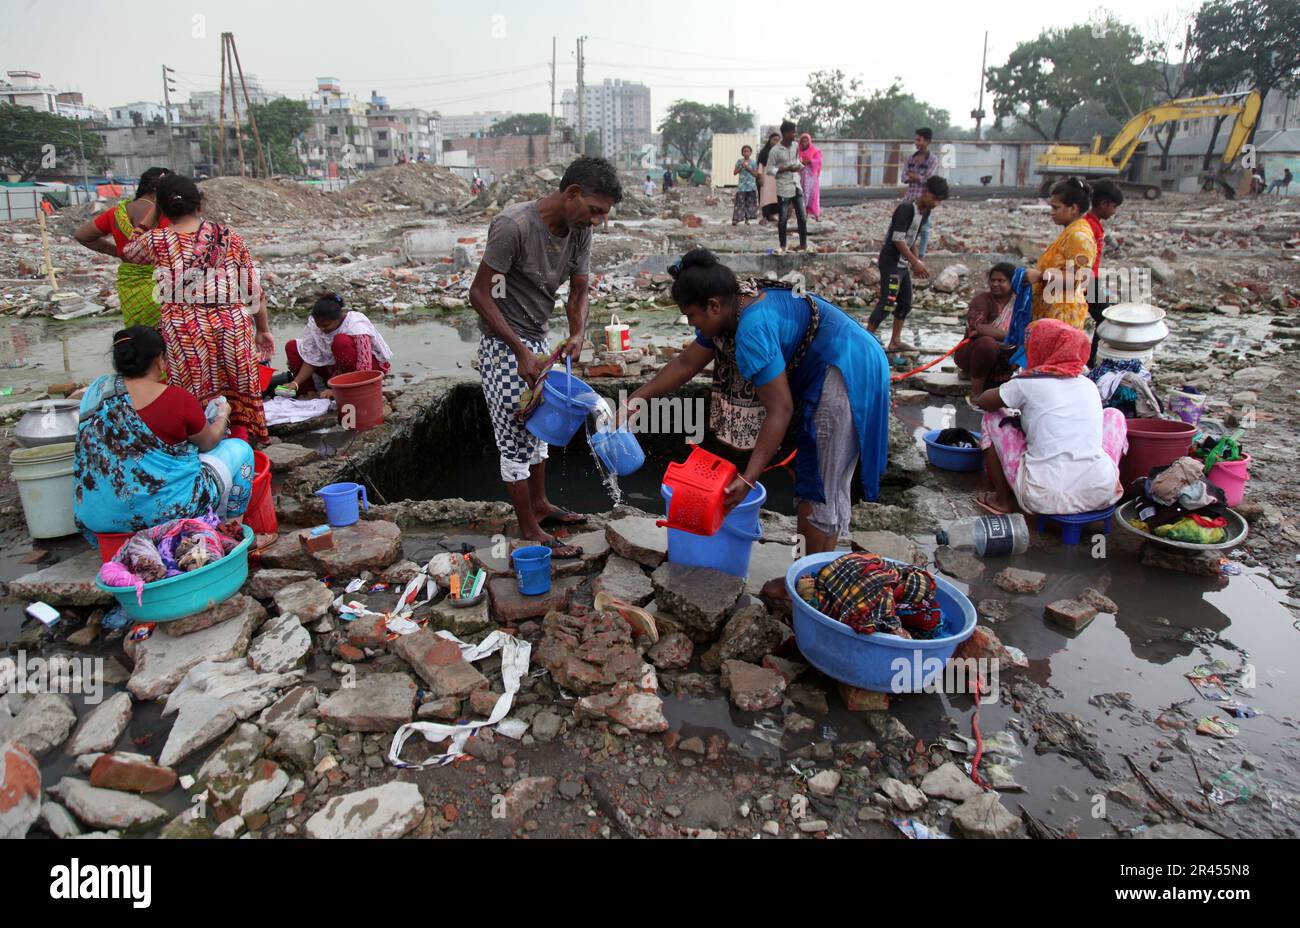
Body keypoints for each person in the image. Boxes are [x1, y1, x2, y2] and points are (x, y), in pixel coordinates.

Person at [625, 249, 890, 603]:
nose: (691, 324)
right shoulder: (736, 303)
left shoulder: (751, 330)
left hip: (843, 373)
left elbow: (779, 409)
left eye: (691, 316)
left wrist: (749, 477)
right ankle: (812, 574)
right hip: (844, 361)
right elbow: (687, 361)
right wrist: (636, 400)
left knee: (820, 487)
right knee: (815, 480)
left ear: (713, 306)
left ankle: (807, 587)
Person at [468, 156, 622, 559]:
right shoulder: (513, 226)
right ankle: (529, 529)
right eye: (595, 211)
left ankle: (540, 506)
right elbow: (479, 294)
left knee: (539, 431)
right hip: (504, 345)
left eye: (602, 214)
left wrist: (577, 332)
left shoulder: (578, 230)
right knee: (515, 437)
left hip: (538, 340)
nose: (597, 221)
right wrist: (519, 350)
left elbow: (579, 289)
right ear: (571, 194)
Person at [122, 173, 273, 445]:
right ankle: (242, 450)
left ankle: (203, 450)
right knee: (239, 389)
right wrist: (263, 330)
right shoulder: (230, 237)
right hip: (230, 324)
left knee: (193, 397)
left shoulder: (156, 241)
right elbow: (253, 292)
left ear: (164, 210)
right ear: (200, 205)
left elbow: (128, 251)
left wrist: (154, 213)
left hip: (185, 329)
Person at [73, 327, 255, 537]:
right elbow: (209, 442)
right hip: (164, 514)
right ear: (159, 359)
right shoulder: (176, 399)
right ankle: (232, 532)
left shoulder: (96, 390)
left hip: (98, 518)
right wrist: (223, 414)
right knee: (240, 450)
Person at [973, 319, 1127, 517]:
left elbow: (985, 402)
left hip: (1042, 496)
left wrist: (980, 392)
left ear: (1041, 349)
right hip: (1102, 492)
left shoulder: (1026, 383)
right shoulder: (1088, 385)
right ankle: (1101, 481)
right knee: (1114, 415)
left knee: (992, 418)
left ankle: (1002, 500)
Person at [73, 166, 172, 328]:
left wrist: (119, 253)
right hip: (161, 284)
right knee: (166, 338)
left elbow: (82, 235)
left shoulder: (116, 213)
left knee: (139, 338)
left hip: (130, 285)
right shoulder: (168, 215)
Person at [867, 175, 949, 354]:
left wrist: (916, 260)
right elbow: (897, 239)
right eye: (934, 199)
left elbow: (911, 238)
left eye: (939, 201)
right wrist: (915, 261)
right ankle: (866, 339)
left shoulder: (925, 212)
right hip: (891, 262)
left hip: (903, 264)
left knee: (905, 302)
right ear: (926, 192)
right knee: (888, 302)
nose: (936, 204)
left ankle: (895, 341)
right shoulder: (906, 209)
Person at [281, 293, 393, 399]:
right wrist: (295, 382)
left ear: (338, 317)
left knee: (340, 342)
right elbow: (311, 358)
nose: (322, 329)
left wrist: (338, 389)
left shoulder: (355, 324)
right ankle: (308, 392)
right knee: (292, 346)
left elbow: (364, 365)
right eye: (319, 326)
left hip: (364, 370)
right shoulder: (317, 326)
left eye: (326, 325)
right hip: (334, 369)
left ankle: (346, 389)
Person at [1025, 177, 1097, 331]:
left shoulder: (1079, 236)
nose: (1052, 213)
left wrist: (1040, 276)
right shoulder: (1070, 232)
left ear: (1073, 208)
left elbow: (1078, 278)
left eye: (1056, 208)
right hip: (1052, 312)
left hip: (1063, 317)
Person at [955, 263, 1019, 403]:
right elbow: (978, 328)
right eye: (993, 280)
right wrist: (1009, 336)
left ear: (1012, 282)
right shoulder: (982, 300)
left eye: (1001, 281)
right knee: (987, 344)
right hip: (973, 353)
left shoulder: (1019, 303)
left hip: (1005, 355)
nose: (995, 284)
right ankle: (976, 393)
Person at [1084, 179, 1125, 366]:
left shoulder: (1094, 223)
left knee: (1103, 318)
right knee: (1105, 320)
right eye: (1114, 207)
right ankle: (1092, 362)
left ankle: (1092, 360)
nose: (1114, 211)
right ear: (1104, 203)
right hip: (1087, 280)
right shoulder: (1089, 225)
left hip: (1091, 279)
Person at [768, 121, 807, 254]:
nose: (794, 135)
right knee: (783, 218)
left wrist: (800, 166)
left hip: (796, 184)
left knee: (802, 217)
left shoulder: (795, 146)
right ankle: (783, 245)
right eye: (792, 132)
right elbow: (769, 170)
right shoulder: (775, 151)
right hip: (783, 187)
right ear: (785, 133)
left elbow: (796, 161)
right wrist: (785, 169)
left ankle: (803, 245)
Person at [903, 129, 939, 256]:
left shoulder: (932, 159)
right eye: (916, 139)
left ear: (927, 141)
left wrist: (914, 177)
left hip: (924, 201)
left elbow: (929, 179)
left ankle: (920, 256)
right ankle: (909, 255)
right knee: (907, 228)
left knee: (923, 229)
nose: (916, 142)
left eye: (919, 140)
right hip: (909, 198)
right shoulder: (910, 158)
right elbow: (904, 178)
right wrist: (918, 177)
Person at [755, 132, 781, 223]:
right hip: (766, 178)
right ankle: (765, 216)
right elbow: (760, 165)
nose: (776, 142)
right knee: (765, 197)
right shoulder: (764, 151)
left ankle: (772, 215)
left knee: (775, 197)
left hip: (775, 179)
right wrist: (760, 177)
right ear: (770, 140)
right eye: (774, 140)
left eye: (778, 140)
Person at [732, 145, 759, 225]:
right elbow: (734, 172)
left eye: (748, 151)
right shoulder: (739, 161)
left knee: (749, 203)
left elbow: (756, 175)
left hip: (751, 187)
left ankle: (747, 219)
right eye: (744, 151)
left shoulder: (753, 163)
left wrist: (749, 169)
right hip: (742, 187)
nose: (746, 153)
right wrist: (741, 167)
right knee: (739, 203)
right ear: (742, 153)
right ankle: (736, 219)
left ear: (751, 153)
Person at [799, 133, 823, 221]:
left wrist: (810, 161)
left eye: (806, 141)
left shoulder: (815, 151)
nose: (804, 143)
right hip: (802, 177)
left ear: (809, 141)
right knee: (803, 195)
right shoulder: (798, 152)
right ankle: (804, 214)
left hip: (812, 177)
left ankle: (816, 215)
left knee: (813, 195)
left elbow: (819, 161)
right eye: (802, 141)